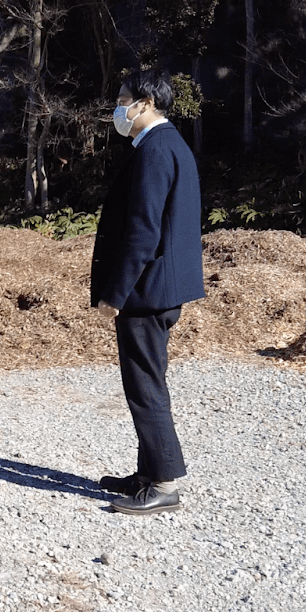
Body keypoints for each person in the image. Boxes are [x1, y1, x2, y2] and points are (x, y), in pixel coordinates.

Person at [89, 68, 206, 515]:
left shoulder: (156, 151)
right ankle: (147, 472)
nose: (118, 109)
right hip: (159, 287)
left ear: (146, 103)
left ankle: (163, 483)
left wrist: (116, 294)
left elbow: (143, 231)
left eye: (123, 99)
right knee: (145, 380)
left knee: (144, 385)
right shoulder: (167, 145)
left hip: (147, 291)